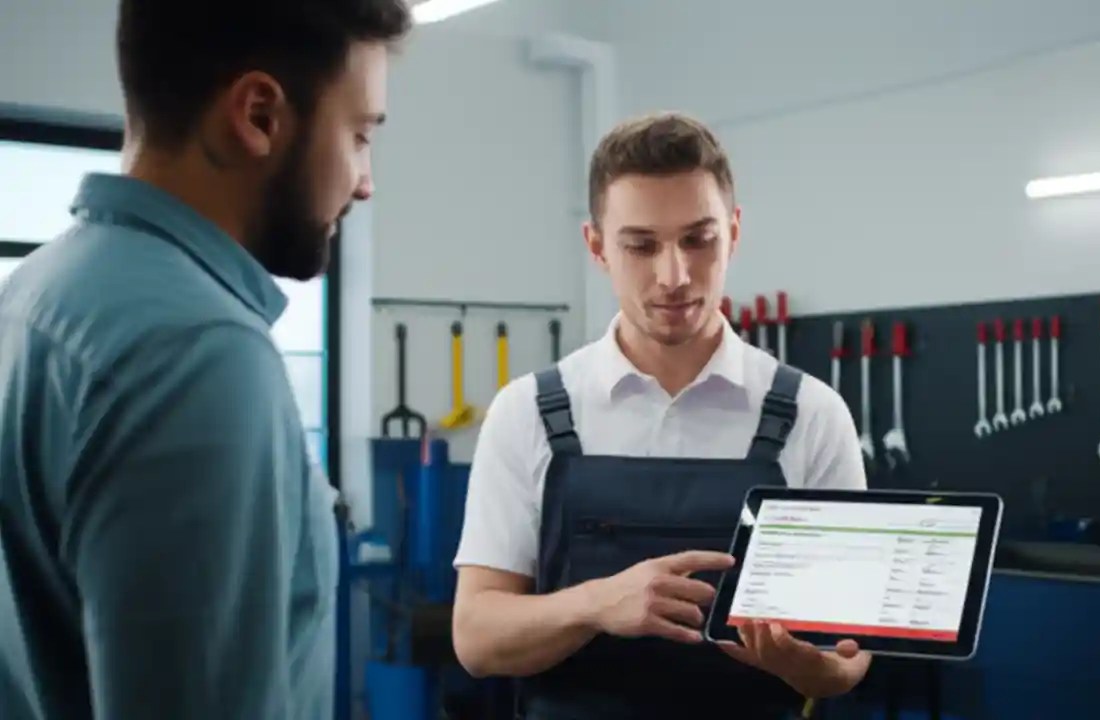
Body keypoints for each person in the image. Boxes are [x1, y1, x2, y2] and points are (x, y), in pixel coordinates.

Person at [0, 2, 411, 719]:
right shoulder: (198, 352)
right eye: (357, 135)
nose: (365, 180)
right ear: (258, 114)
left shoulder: (36, 292)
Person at [451, 111, 873, 720]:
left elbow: (850, 659)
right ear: (597, 246)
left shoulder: (813, 414)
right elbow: (475, 637)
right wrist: (599, 603)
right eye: (641, 245)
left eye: (698, 240)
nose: (673, 276)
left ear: (733, 231)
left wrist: (797, 662)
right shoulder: (528, 414)